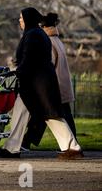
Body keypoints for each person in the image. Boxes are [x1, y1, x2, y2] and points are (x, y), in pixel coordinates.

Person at [0, 7, 83, 160]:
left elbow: (29, 59)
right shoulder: (37, 34)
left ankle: (72, 148)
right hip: (35, 84)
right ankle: (11, 147)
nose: (19, 21)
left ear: (28, 19)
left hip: (39, 86)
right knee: (21, 113)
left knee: (51, 116)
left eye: (21, 18)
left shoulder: (33, 35)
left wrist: (17, 72)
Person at [22, 13, 77, 149]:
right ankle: (27, 142)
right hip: (62, 84)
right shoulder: (57, 40)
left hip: (54, 85)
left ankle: (27, 142)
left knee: (45, 115)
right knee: (52, 115)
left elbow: (47, 65)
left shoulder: (48, 42)